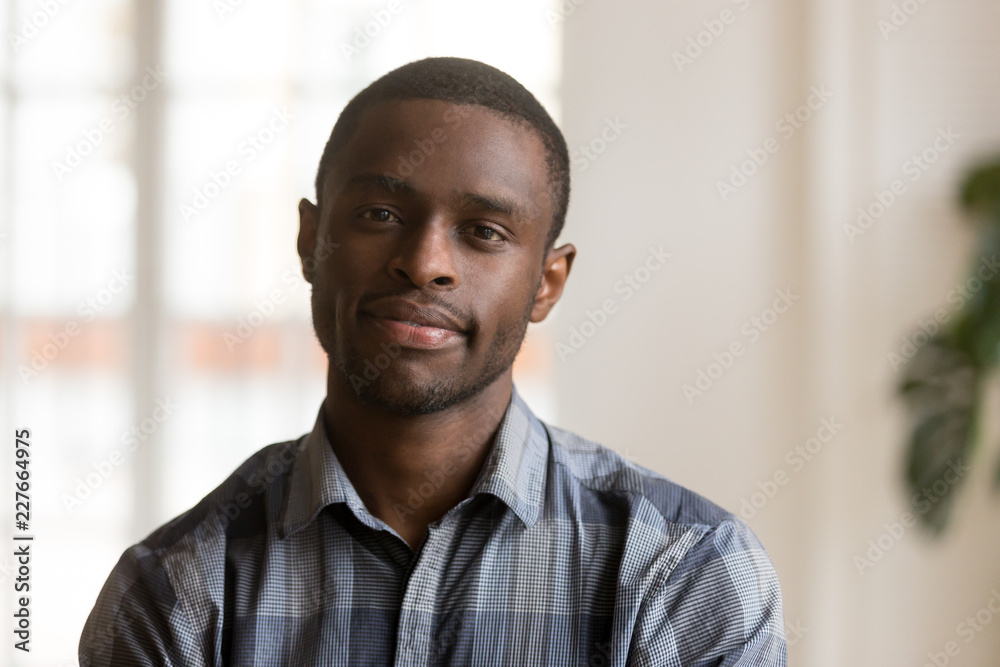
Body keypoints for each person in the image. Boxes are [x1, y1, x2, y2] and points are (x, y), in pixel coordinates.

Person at [79, 56, 787, 666]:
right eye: (380, 215)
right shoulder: (172, 592)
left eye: (484, 231)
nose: (424, 264)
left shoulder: (686, 570)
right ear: (309, 241)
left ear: (548, 283)